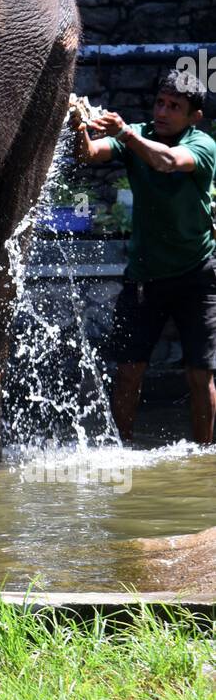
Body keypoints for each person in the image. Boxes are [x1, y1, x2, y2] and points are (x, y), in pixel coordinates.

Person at [70, 68, 216, 445]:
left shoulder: (202, 144)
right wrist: (78, 125)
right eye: (160, 103)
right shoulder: (140, 134)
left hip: (197, 274)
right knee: (129, 370)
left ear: (193, 116)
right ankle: (122, 448)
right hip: (145, 277)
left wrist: (125, 134)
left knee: (199, 373)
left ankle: (202, 453)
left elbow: (165, 161)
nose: (163, 112)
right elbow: (88, 154)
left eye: (174, 107)